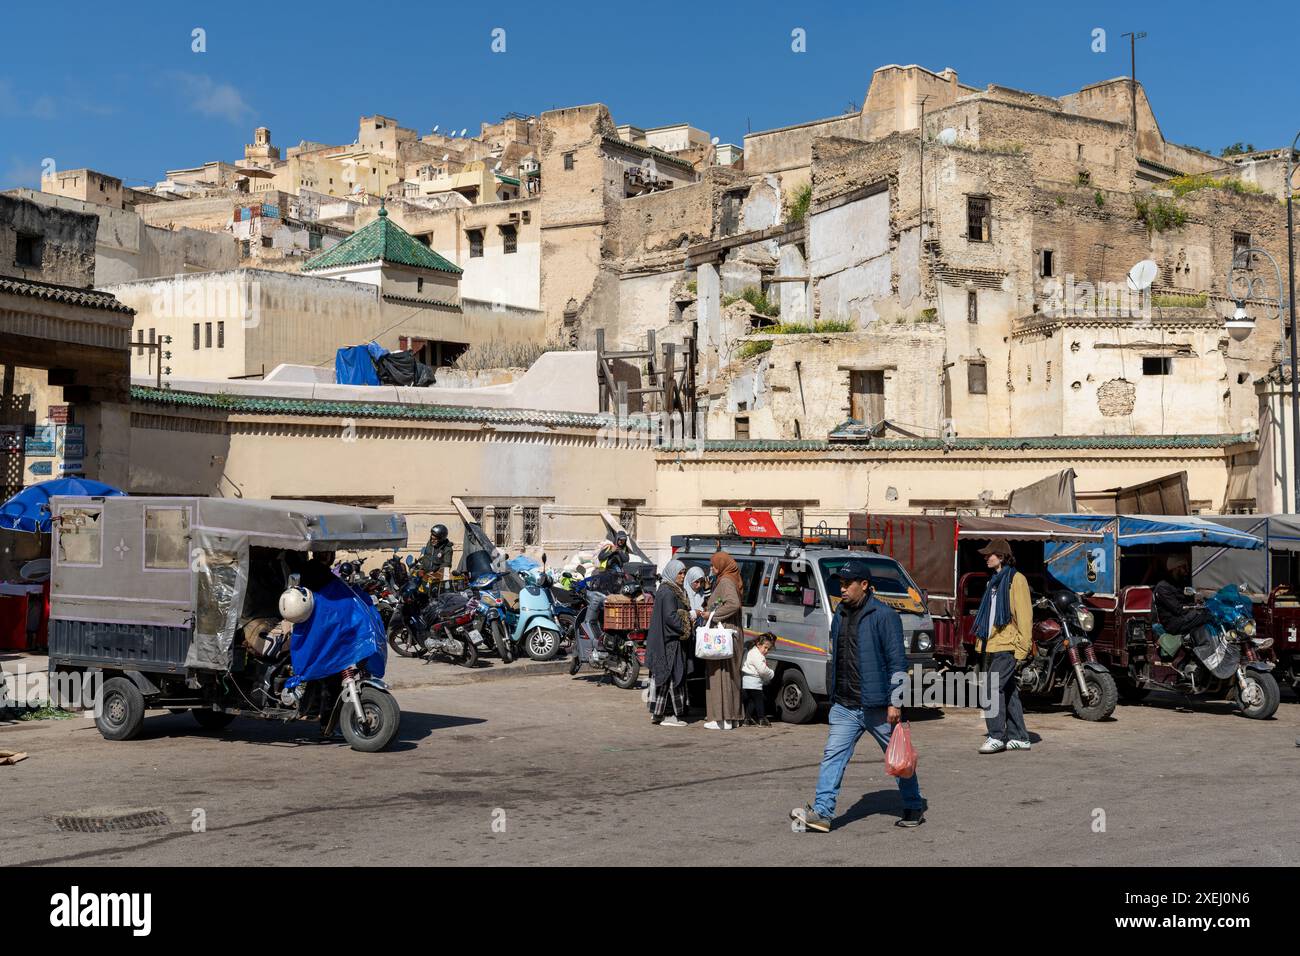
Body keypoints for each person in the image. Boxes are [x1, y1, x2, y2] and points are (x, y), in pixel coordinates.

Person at [791, 560, 925, 832]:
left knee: (900, 759)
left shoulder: (884, 616)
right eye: (840, 584)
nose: (842, 589)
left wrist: (894, 702)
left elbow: (897, 662)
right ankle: (822, 814)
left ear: (864, 585)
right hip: (845, 705)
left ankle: (913, 805)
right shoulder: (840, 613)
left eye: (847, 584)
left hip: (877, 706)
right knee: (832, 756)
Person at [973, 538, 1033, 755]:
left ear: (1001, 556)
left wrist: (1022, 648)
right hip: (994, 644)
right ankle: (1020, 737)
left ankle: (996, 736)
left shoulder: (1016, 580)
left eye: (990, 554)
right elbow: (989, 617)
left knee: (991, 687)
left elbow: (1024, 616)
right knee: (1007, 690)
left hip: (1009, 645)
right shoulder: (994, 581)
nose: (986, 558)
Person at [645, 559, 692, 727]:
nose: (682, 576)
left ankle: (659, 713)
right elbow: (671, 618)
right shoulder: (668, 592)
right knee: (671, 676)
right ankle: (669, 714)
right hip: (669, 642)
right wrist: (688, 620)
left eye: (684, 572)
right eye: (680, 572)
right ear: (672, 573)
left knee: (664, 677)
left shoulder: (670, 590)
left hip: (667, 641)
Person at [702, 551, 745, 730]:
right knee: (730, 675)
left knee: (720, 673)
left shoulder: (726, 581)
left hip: (724, 633)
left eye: (714, 564)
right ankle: (731, 717)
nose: (712, 568)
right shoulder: (730, 579)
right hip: (730, 632)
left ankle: (722, 719)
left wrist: (711, 614)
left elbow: (733, 604)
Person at [1153, 554, 1208, 636]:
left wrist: (1199, 604)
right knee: (1206, 615)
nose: (1187, 571)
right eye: (1184, 567)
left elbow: (1186, 603)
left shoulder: (1179, 584)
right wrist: (1196, 608)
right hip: (1174, 624)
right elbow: (1178, 609)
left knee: (1210, 612)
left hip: (1183, 619)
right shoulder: (1163, 587)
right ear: (1176, 568)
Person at [741, 633, 776, 726]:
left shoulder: (751, 652)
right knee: (759, 700)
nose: (766, 650)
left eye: (768, 649)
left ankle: (747, 719)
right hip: (754, 682)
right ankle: (762, 719)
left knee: (751, 701)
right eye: (765, 647)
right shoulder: (756, 654)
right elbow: (762, 670)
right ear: (758, 644)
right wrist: (771, 673)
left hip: (746, 681)